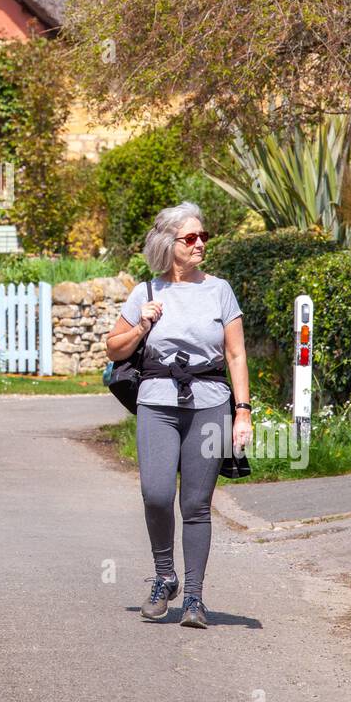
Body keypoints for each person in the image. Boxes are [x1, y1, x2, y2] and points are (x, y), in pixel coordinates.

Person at [105, 202, 252, 629]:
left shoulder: (220, 290)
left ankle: (194, 598)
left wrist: (242, 412)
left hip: (210, 403)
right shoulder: (146, 293)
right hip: (157, 401)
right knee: (154, 494)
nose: (201, 243)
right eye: (191, 238)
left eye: (204, 236)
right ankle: (164, 575)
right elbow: (113, 349)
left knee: (196, 504)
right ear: (169, 245)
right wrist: (141, 327)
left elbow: (236, 354)